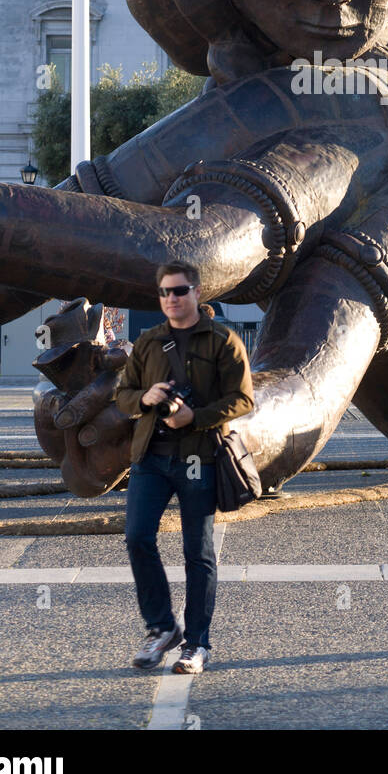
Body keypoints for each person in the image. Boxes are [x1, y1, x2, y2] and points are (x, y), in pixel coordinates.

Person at [115, 263, 254, 672]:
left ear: (196, 292)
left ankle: (197, 643)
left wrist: (195, 416)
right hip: (151, 458)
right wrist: (145, 397)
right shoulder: (148, 342)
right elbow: (123, 394)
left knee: (198, 551)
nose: (170, 299)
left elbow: (243, 400)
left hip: (199, 456)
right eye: (163, 293)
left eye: (178, 291)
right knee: (138, 537)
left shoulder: (222, 340)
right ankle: (161, 628)